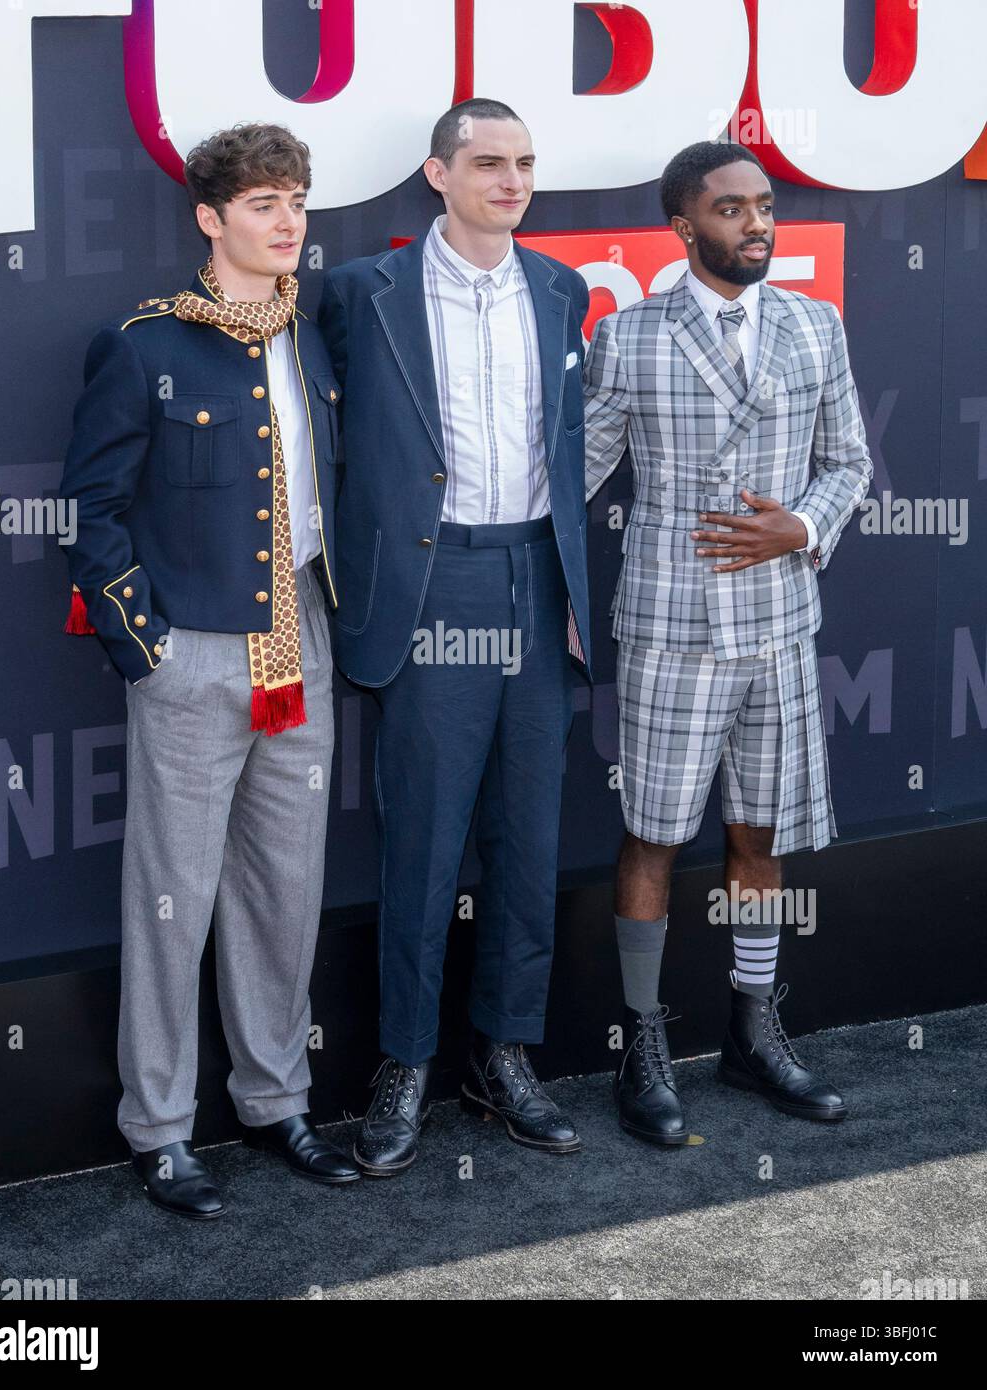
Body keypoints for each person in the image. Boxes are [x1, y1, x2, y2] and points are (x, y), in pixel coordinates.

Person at [59, 122, 358, 1217]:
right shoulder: (142, 346)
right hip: (191, 653)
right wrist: (148, 650)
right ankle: (161, 1129)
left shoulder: (308, 337)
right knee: (171, 900)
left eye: (296, 202)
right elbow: (89, 510)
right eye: (264, 203)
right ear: (210, 218)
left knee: (286, 892)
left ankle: (279, 1105)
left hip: (302, 648)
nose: (287, 223)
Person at [318, 99, 592, 1176]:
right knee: (424, 841)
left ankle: (504, 1057)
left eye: (523, 162)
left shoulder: (559, 289)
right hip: (433, 584)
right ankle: (403, 1064)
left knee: (525, 841)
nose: (510, 180)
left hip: (534, 573)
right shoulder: (358, 293)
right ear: (436, 173)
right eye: (486, 162)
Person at [583, 140, 873, 1145]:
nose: (755, 223)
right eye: (730, 208)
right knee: (652, 838)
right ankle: (644, 1045)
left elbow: (848, 460)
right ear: (682, 225)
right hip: (671, 630)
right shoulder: (628, 337)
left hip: (781, 626)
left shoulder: (812, 324)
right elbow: (568, 475)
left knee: (758, 838)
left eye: (763, 205)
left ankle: (753, 1029)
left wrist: (801, 526)